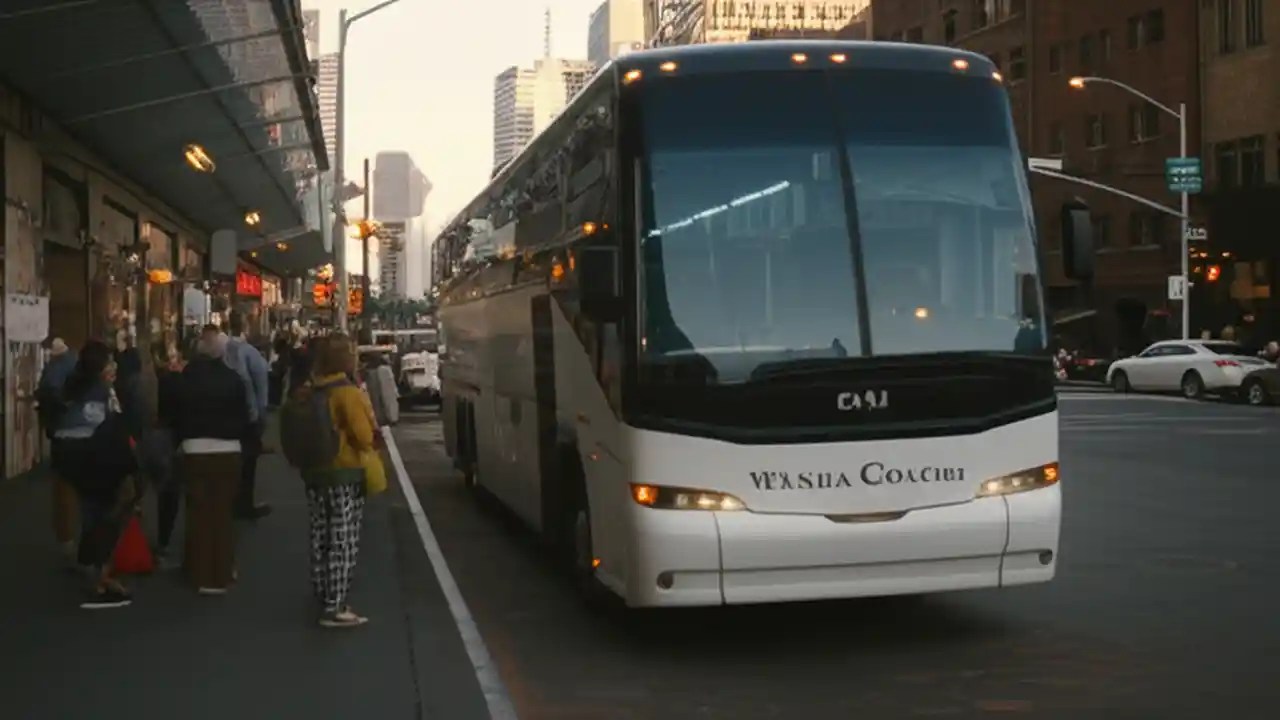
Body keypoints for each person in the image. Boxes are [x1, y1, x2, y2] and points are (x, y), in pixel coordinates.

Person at [51, 341, 137, 609]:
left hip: (68, 455)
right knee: (106, 513)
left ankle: (93, 568)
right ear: (99, 366)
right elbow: (115, 426)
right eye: (109, 362)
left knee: (92, 511)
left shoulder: (72, 387)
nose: (113, 366)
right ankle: (99, 579)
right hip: (95, 456)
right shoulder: (103, 391)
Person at [304, 334, 377, 628]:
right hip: (344, 471)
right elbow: (364, 437)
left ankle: (323, 592)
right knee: (343, 538)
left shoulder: (310, 390)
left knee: (320, 534)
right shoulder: (347, 393)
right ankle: (336, 606)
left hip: (315, 472)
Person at [175, 326, 249, 595]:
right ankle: (221, 572)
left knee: (198, 512)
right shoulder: (234, 380)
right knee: (222, 513)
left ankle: (199, 572)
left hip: (194, 449)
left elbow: (175, 414)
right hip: (228, 449)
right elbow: (245, 416)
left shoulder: (186, 378)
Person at [224, 311, 271, 520]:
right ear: (245, 326)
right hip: (247, 415)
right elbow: (261, 383)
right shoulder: (248, 352)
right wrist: (261, 413)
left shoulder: (221, 350)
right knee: (248, 461)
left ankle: (229, 501)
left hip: (224, 416)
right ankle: (244, 504)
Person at [37, 337, 79, 564]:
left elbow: (48, 392)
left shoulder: (54, 369)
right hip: (81, 434)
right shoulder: (76, 364)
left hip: (62, 434)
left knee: (64, 490)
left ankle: (67, 541)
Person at [145, 343, 184, 568]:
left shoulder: (148, 381)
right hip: (171, 440)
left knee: (162, 492)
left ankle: (159, 541)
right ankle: (164, 542)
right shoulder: (175, 381)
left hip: (153, 439)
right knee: (170, 492)